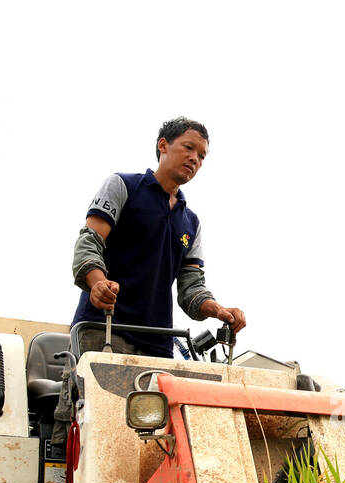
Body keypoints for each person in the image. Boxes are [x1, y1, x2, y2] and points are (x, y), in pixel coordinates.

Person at [68, 116, 247, 357]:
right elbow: (88, 244)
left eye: (202, 156)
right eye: (188, 147)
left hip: (157, 343)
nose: (195, 158)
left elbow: (191, 288)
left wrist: (218, 310)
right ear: (163, 145)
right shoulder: (123, 186)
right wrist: (98, 283)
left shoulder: (190, 222)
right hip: (105, 330)